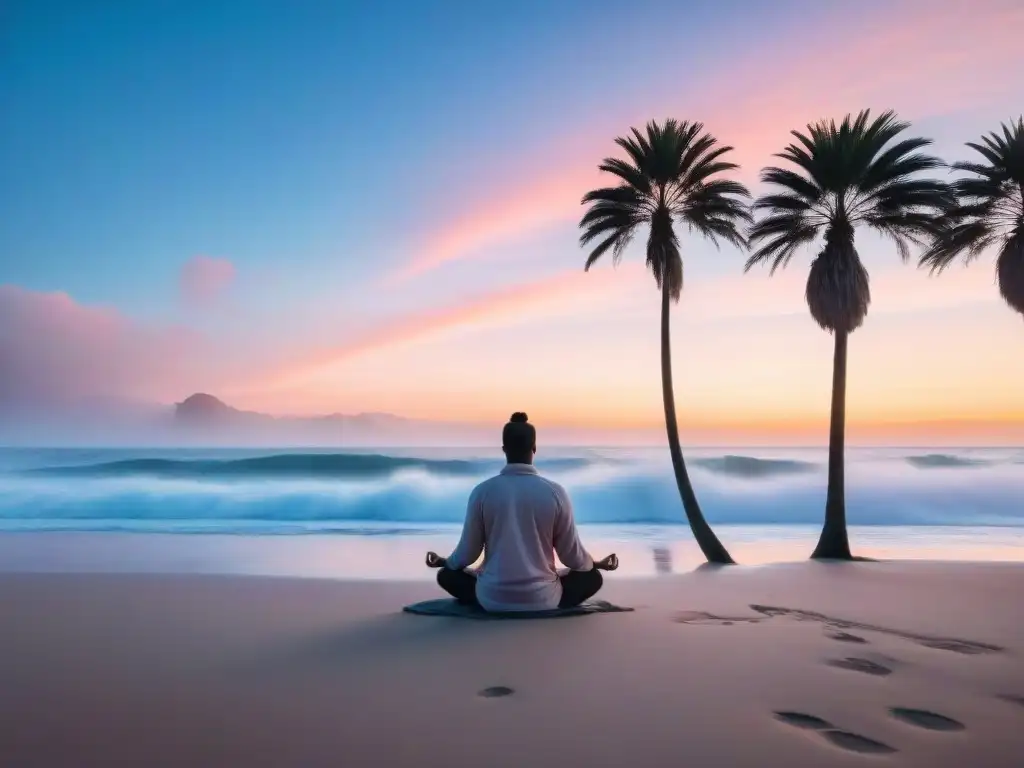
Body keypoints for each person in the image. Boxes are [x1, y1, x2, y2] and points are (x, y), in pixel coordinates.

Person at [425, 412, 618, 612]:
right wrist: (595, 565)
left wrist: (444, 562)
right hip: (544, 599)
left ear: (504, 449)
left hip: (491, 598)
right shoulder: (555, 492)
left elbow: (467, 555)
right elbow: (573, 558)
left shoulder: (482, 492)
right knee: (592, 577)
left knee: (446, 575)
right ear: (534, 448)